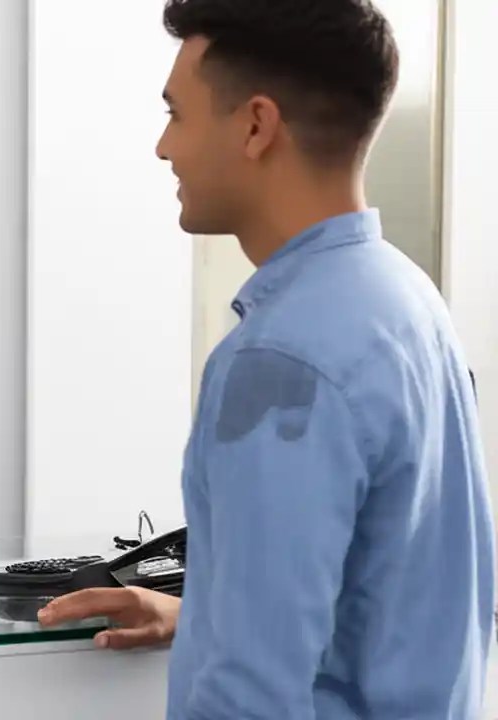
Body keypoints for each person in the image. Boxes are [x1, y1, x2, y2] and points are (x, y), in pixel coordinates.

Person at [37, 1, 494, 717]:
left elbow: (253, 700)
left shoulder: (281, 359)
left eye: (177, 115)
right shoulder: (407, 302)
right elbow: (397, 599)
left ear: (255, 125)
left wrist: (234, 646)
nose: (164, 147)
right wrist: (209, 619)